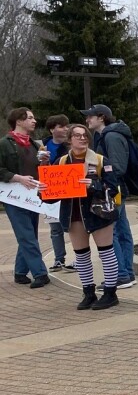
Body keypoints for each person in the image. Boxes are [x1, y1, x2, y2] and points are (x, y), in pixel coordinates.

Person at [54, 123, 122, 309]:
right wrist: (43, 191)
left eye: (85, 135)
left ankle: (110, 293)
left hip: (98, 214)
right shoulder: (61, 162)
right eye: (77, 135)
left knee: (106, 253)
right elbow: (52, 194)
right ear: (69, 140)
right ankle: (88, 293)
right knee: (81, 256)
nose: (83, 138)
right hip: (73, 215)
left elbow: (113, 188)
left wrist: (93, 186)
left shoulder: (100, 160)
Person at [81, 104, 137, 288]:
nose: (87, 120)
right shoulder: (105, 136)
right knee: (121, 231)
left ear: (101, 117)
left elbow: (118, 167)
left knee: (112, 232)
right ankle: (127, 273)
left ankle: (122, 274)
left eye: (90, 116)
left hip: (113, 191)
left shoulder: (111, 136)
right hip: (114, 189)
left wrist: (100, 175)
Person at [1, 107, 50, 288]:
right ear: (19, 121)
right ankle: (40, 273)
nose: (34, 121)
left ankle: (20, 272)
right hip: (13, 197)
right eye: (29, 118)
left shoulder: (35, 145)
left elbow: (40, 169)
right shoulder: (5, 143)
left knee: (30, 235)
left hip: (33, 196)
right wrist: (18, 178)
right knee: (27, 236)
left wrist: (45, 162)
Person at [43, 114, 70, 272]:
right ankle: (59, 259)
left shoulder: (69, 146)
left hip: (68, 191)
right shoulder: (43, 147)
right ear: (52, 129)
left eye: (66, 126)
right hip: (51, 192)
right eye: (61, 126)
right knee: (55, 229)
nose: (65, 129)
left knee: (74, 227)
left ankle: (80, 258)